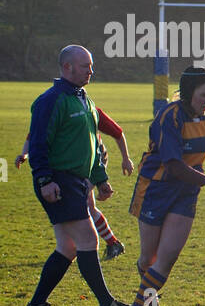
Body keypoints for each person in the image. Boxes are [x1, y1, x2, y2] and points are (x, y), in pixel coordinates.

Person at [23, 45, 130, 306]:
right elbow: (37, 145)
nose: (91, 71)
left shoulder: (85, 100)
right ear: (67, 67)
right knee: (87, 238)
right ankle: (108, 305)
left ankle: (36, 304)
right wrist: (45, 179)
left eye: (91, 66)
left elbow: (93, 145)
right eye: (85, 66)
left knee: (68, 247)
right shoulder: (50, 100)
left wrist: (100, 179)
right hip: (58, 181)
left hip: (77, 181)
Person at [122, 68, 205, 306]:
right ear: (189, 93)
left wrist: (199, 182)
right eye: (204, 95)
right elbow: (173, 165)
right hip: (155, 189)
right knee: (149, 260)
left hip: (185, 192)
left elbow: (192, 163)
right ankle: (150, 300)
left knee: (166, 259)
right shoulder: (169, 116)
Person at [18, 104, 135, 260]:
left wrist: (126, 158)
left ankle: (83, 246)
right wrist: (24, 154)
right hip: (74, 164)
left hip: (93, 161)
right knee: (87, 205)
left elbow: (117, 132)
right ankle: (108, 243)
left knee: (83, 204)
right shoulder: (55, 109)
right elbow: (34, 135)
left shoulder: (89, 109)